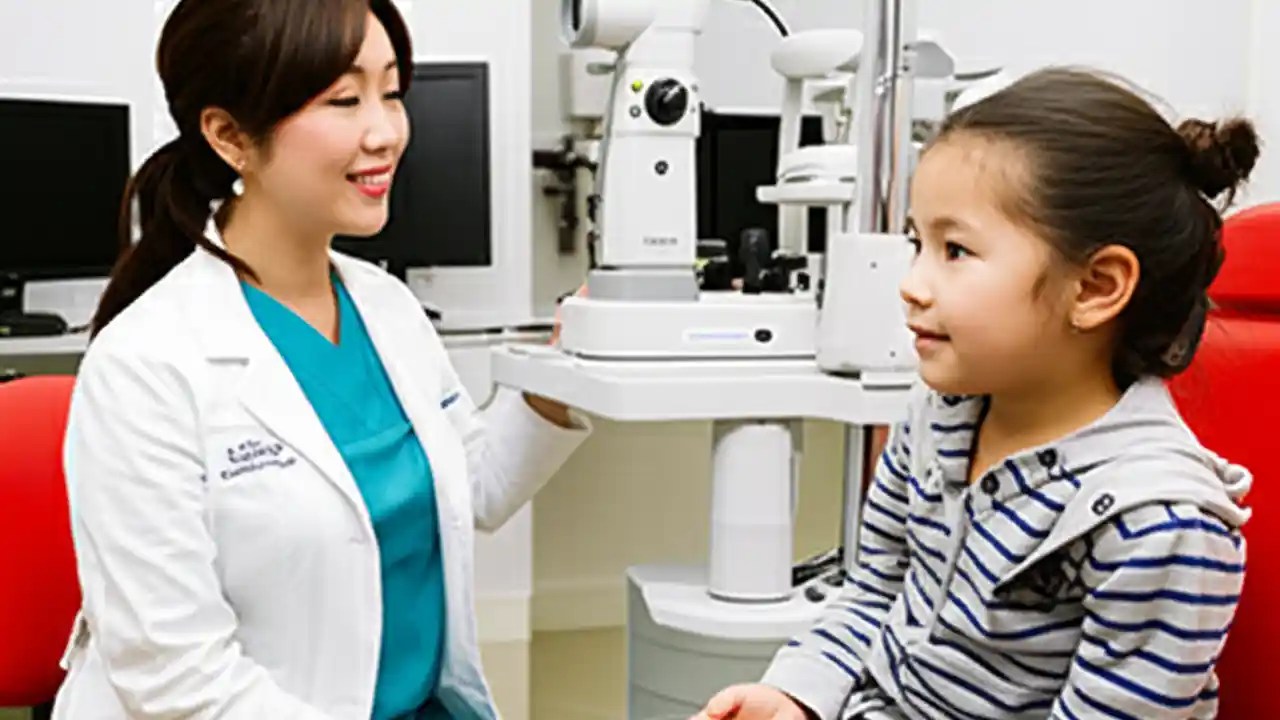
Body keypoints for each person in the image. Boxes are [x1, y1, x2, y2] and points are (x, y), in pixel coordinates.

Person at [52, 1, 591, 718]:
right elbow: (178, 678)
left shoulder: (385, 305)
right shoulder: (144, 364)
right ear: (229, 135)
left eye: (392, 92)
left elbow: (470, 490)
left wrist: (563, 371)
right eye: (344, 99)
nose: (386, 132)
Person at [694, 67, 1259, 720]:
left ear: (1095, 287)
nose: (911, 282)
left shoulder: (1158, 524)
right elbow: (874, 592)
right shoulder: (935, 422)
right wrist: (794, 696)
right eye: (917, 243)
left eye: (954, 249)